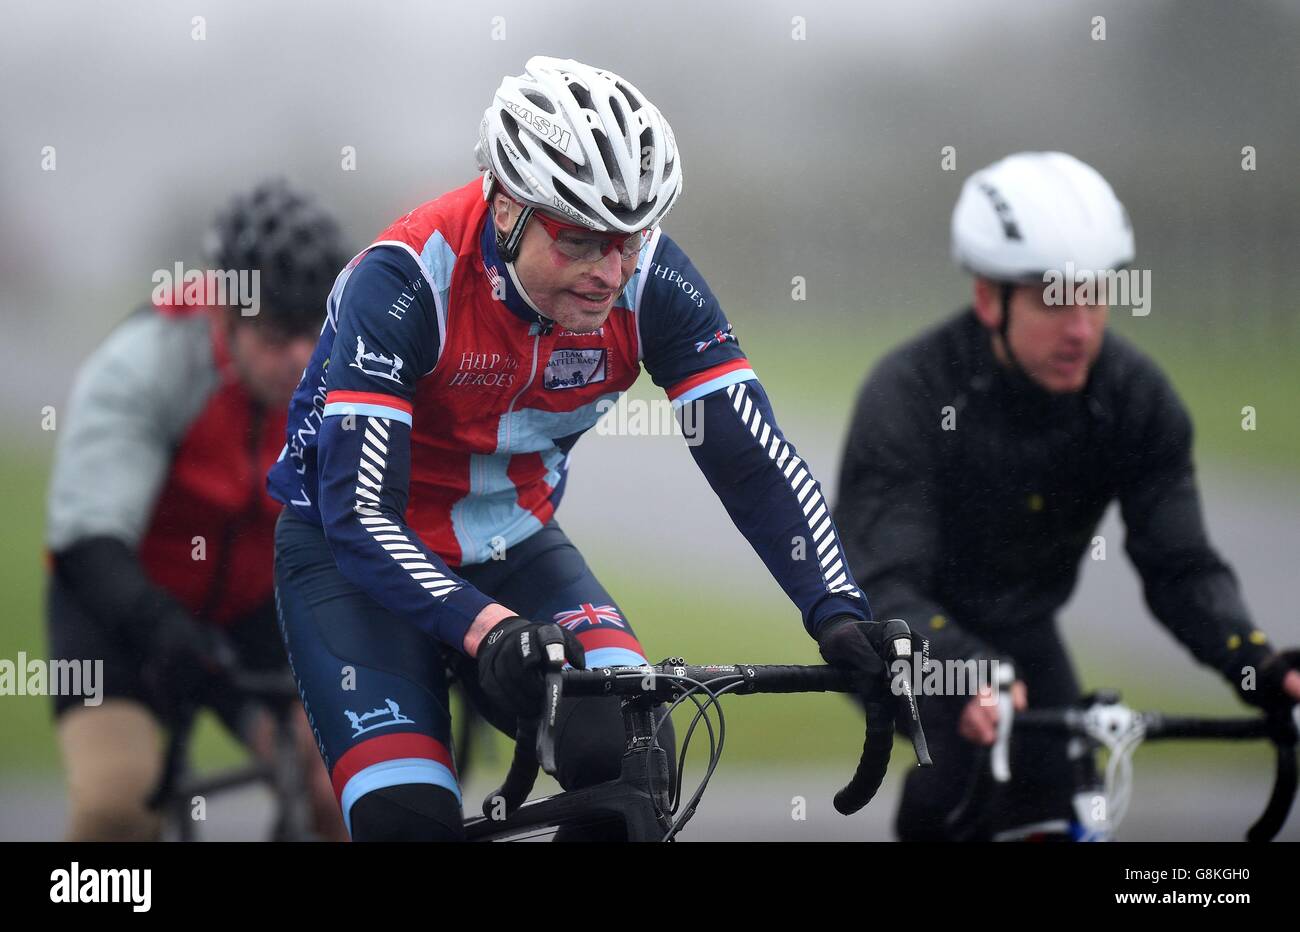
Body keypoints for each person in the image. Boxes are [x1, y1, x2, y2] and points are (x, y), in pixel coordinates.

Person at [267, 56, 892, 842]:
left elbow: (752, 458)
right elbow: (357, 514)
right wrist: (487, 627)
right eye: (580, 241)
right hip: (351, 557)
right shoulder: (404, 280)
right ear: (504, 208)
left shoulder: (651, 281)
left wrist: (837, 610)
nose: (609, 272)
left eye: (630, 239)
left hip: (513, 540)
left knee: (635, 764)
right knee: (404, 821)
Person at [833, 151, 1300, 841]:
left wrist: (1257, 664)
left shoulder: (1137, 398)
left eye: (1094, 295)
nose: (1081, 328)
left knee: (1064, 801)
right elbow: (880, 580)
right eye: (1054, 299)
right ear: (989, 298)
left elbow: (1181, 566)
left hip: (1024, 631)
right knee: (962, 769)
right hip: (899, 637)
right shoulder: (911, 394)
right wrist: (961, 668)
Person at [46, 179, 352, 841]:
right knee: (116, 809)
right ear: (226, 313)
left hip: (249, 609)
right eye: (277, 334)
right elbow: (87, 539)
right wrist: (158, 628)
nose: (302, 358)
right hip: (119, 613)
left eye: (314, 331)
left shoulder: (338, 375)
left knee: (351, 788)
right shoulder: (144, 366)